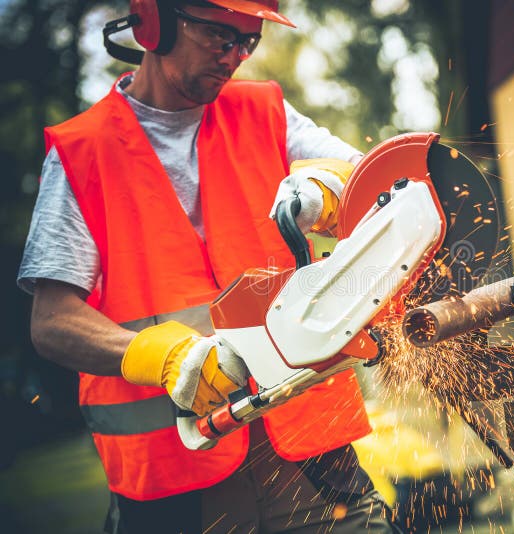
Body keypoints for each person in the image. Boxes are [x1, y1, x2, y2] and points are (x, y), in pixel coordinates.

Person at [17, 1, 400, 532]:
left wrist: (330, 186)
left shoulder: (265, 111)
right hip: (176, 480)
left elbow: (381, 181)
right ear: (153, 21)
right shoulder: (83, 151)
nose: (234, 56)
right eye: (219, 35)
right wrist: (164, 357)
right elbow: (52, 321)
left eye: (249, 41)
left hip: (310, 456)